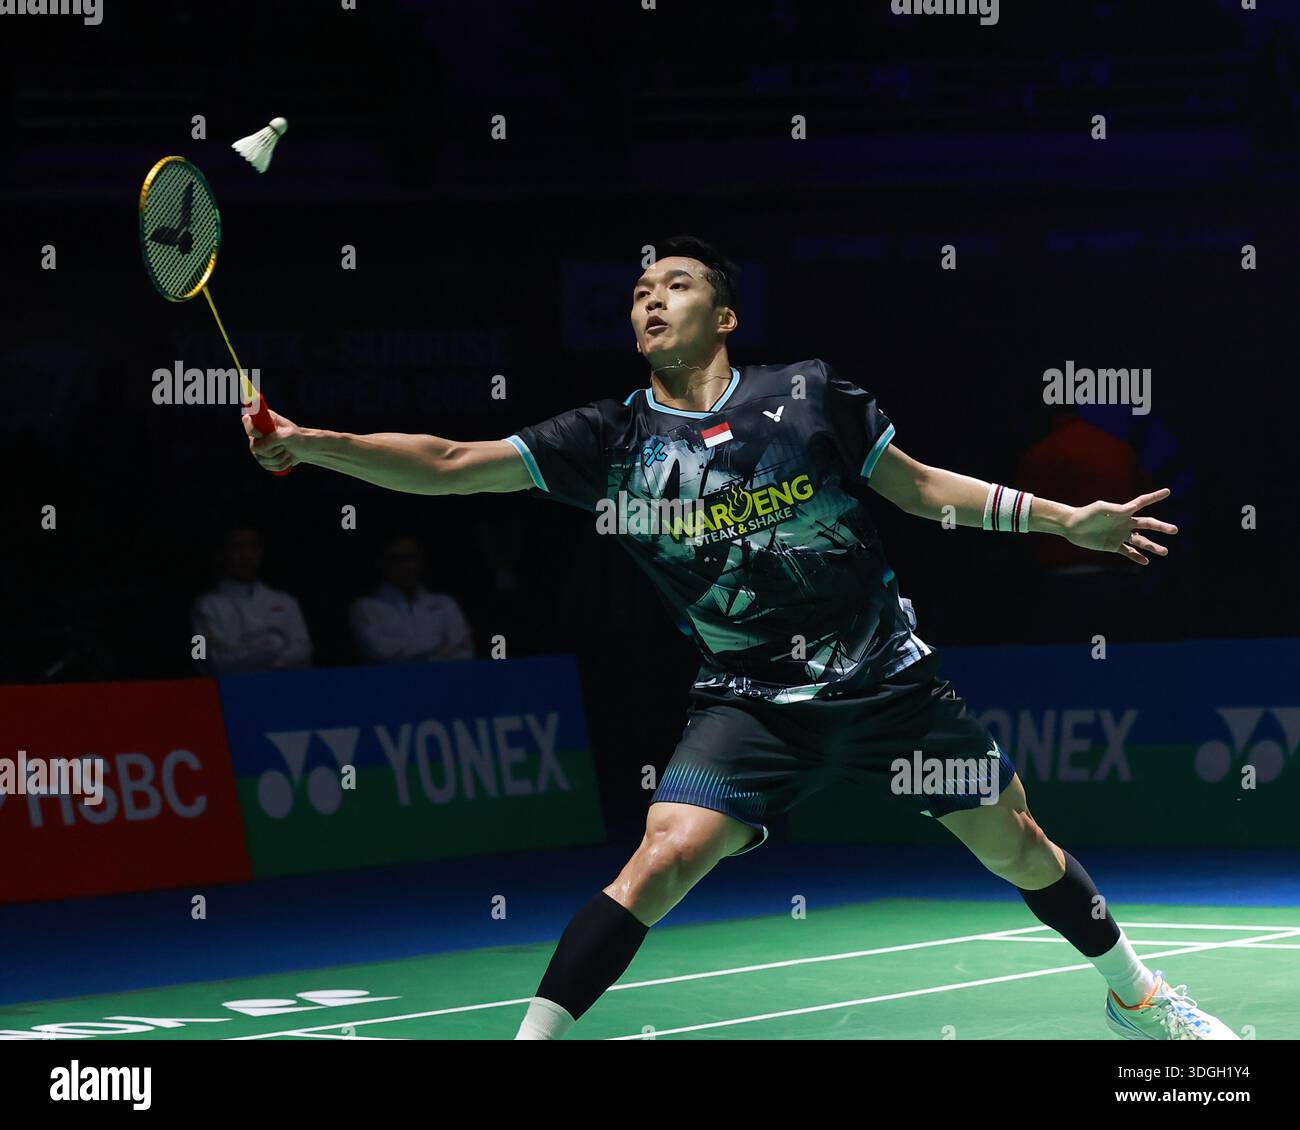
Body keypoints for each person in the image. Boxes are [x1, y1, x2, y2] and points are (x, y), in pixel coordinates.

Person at [243, 235, 1230, 1041]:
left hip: (888, 687)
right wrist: (310, 441)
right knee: (660, 855)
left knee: (1017, 846)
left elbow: (923, 488)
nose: (649, 299)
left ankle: (1136, 996)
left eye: (674, 284)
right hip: (748, 704)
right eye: (637, 290)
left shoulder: (806, 396)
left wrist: (1066, 521)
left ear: (723, 316)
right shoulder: (607, 440)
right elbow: (454, 462)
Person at [191, 525, 312, 674]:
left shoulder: (287, 602)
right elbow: (209, 658)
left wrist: (258, 659)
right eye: (236, 548)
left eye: (252, 548)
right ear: (223, 554)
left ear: (260, 553)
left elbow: (304, 652)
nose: (245, 556)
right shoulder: (205, 606)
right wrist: (271, 647)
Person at [349, 535, 474, 663]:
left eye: (411, 558)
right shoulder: (365, 608)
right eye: (397, 559)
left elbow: (463, 653)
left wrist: (408, 653)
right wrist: (438, 648)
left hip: (444, 680)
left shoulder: (446, 604)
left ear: (420, 562)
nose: (406, 566)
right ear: (383, 563)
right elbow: (381, 652)